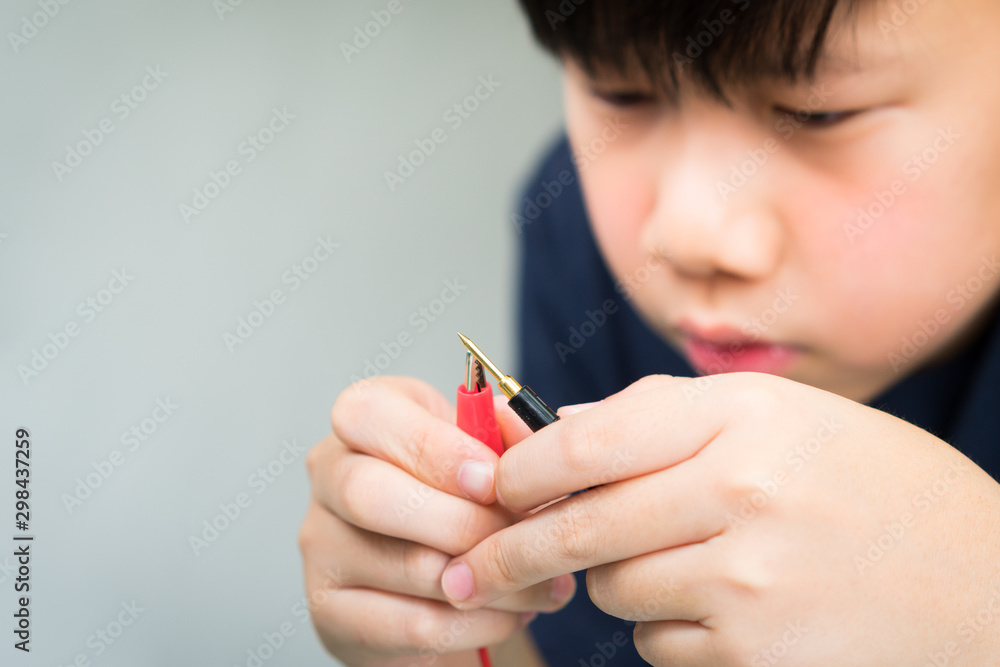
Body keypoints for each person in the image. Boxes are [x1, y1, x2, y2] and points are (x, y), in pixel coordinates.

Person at [298, 0, 1000, 664]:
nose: (687, 231)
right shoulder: (579, 245)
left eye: (818, 113)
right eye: (621, 94)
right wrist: (442, 632)